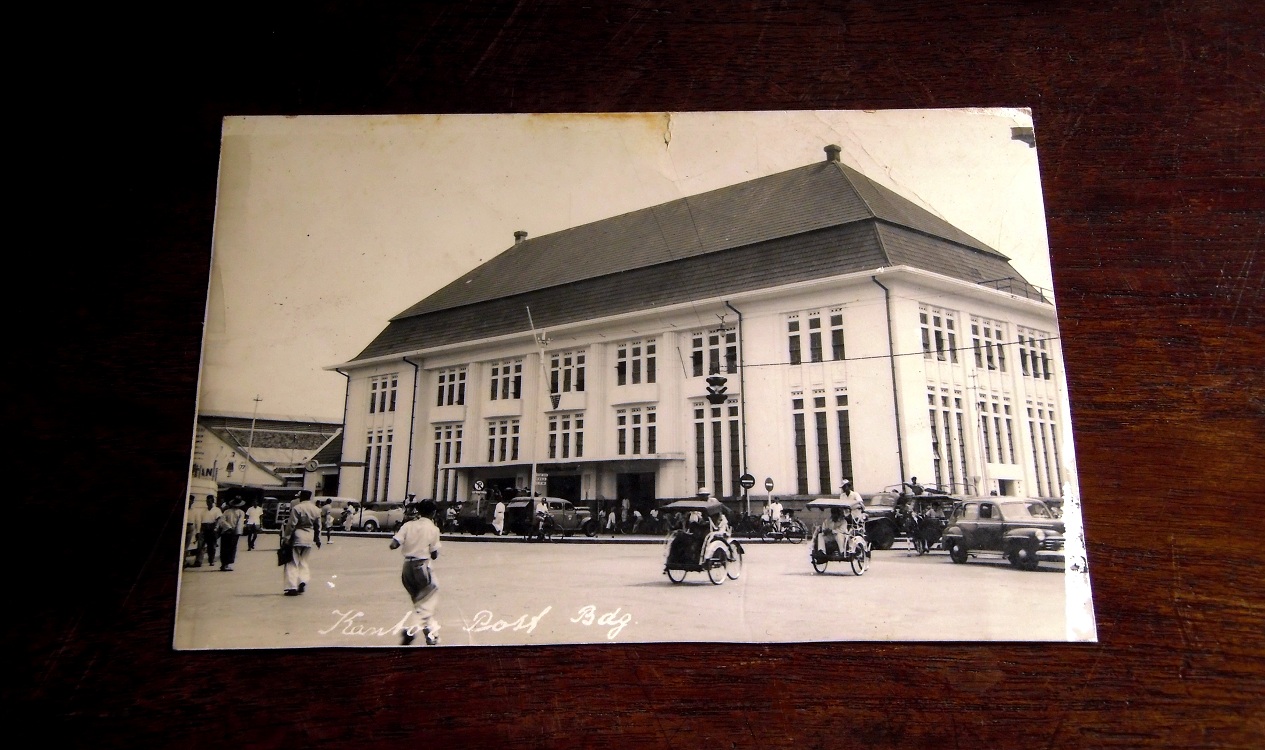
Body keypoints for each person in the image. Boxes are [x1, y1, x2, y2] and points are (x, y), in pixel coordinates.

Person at [390, 499, 442, 646]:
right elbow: (434, 554)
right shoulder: (433, 529)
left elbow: (393, 544)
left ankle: (432, 637)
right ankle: (411, 629)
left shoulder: (408, 525)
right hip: (422, 566)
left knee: (420, 603)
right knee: (429, 597)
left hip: (407, 568)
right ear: (433, 513)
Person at [281, 489, 322, 596]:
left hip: (298, 536)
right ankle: (303, 580)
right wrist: (317, 539)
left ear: (301, 497)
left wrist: (286, 538)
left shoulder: (297, 508)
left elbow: (291, 525)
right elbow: (318, 527)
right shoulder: (316, 509)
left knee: (293, 562)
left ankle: (292, 587)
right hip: (309, 536)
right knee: (303, 561)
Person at [217, 498, 246, 571]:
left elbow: (222, 521)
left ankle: (223, 564)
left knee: (224, 548)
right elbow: (239, 524)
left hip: (226, 531)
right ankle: (226, 565)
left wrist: (228, 527)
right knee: (231, 548)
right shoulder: (241, 512)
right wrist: (237, 532)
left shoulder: (226, 511)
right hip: (234, 532)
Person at [196, 495, 223, 568]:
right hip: (204, 528)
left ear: (213, 501)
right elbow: (201, 521)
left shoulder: (217, 510)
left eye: (209, 501)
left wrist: (216, 528)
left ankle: (211, 560)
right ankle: (198, 561)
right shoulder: (203, 511)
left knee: (211, 546)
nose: (208, 503)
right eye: (207, 501)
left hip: (212, 528)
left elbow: (218, 520)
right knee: (200, 545)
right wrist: (199, 531)